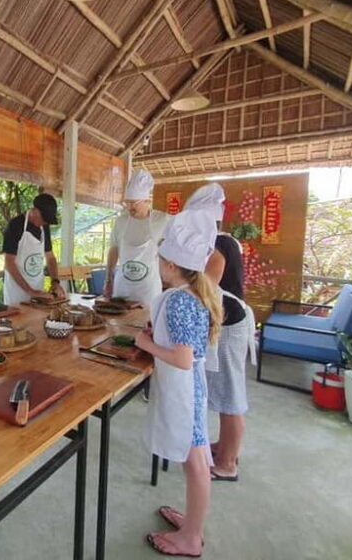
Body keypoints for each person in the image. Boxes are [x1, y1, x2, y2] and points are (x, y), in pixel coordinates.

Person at [134, 210, 222, 558]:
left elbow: (183, 359)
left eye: (160, 260)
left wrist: (146, 345)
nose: (157, 265)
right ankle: (191, 522)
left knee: (197, 461)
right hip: (189, 386)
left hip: (187, 389)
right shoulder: (190, 294)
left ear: (171, 266)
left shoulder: (181, 302)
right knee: (193, 459)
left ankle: (191, 537)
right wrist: (158, 337)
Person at [185, 183, 255, 482]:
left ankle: (227, 463)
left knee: (230, 395)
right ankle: (224, 447)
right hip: (224, 320)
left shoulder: (218, 243)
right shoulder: (219, 240)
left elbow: (206, 287)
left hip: (230, 322)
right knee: (224, 390)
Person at [103, 168, 168, 305]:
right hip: (122, 289)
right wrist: (108, 280)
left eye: (134, 203)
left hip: (148, 291)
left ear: (146, 200)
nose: (129, 207)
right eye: (127, 202)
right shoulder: (121, 221)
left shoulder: (162, 220)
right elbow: (114, 250)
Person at [2, 192, 66, 304]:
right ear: (34, 211)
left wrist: (55, 282)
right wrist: (30, 291)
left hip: (38, 292)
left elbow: (50, 258)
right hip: (16, 294)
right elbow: (9, 263)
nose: (44, 223)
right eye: (44, 219)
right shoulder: (15, 225)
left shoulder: (44, 228)